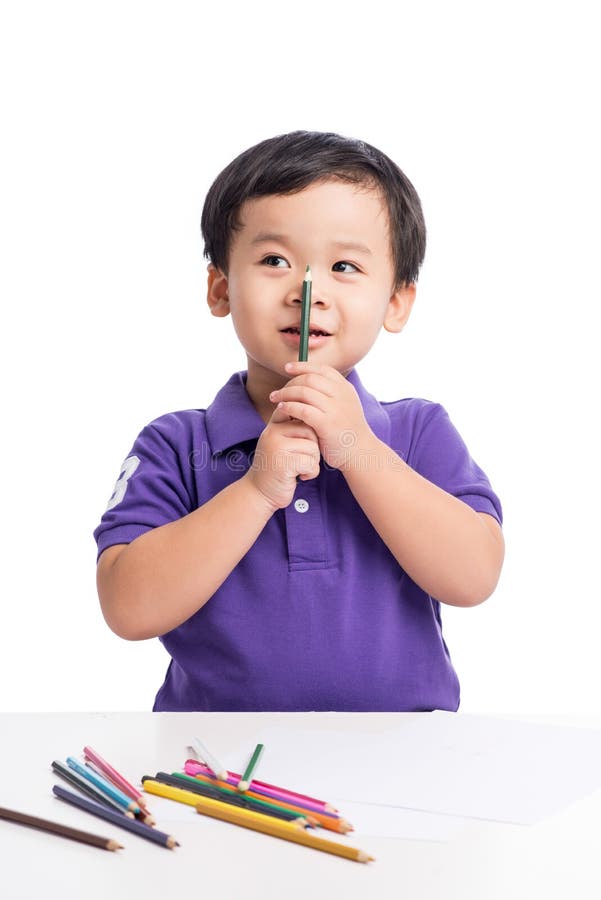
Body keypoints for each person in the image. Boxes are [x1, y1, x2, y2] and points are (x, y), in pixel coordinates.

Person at [94, 130, 504, 712]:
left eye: (344, 265)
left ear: (396, 302)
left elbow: (474, 577)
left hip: (409, 759)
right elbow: (128, 607)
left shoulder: (420, 431)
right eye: (274, 260)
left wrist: (357, 447)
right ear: (220, 288)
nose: (306, 291)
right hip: (220, 767)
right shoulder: (175, 444)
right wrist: (257, 489)